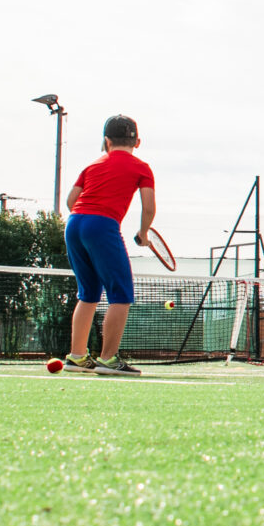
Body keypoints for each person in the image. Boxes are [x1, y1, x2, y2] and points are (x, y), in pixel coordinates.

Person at [63, 114, 160, 376]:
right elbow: (149, 207)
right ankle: (107, 359)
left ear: (106, 141)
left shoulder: (92, 165)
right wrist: (143, 233)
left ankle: (77, 357)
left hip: (74, 225)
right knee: (121, 294)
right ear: (137, 141)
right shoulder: (141, 167)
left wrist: (87, 221)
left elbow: (71, 200)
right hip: (102, 226)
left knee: (88, 293)